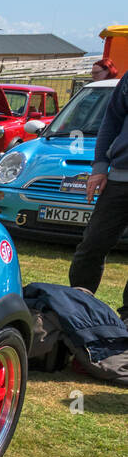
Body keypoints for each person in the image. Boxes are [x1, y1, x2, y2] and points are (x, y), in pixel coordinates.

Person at [69, 72, 128, 319]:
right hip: (119, 178)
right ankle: (78, 308)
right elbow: (111, 120)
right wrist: (100, 167)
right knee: (92, 245)